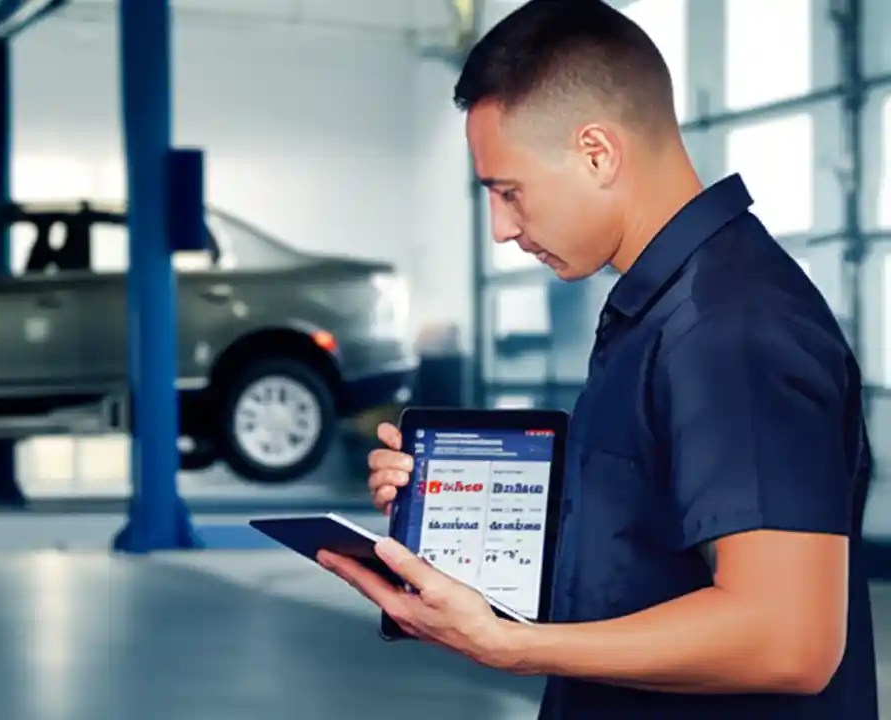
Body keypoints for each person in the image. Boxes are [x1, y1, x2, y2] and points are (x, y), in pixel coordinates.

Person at [316, 0, 878, 718]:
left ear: (597, 153)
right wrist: (458, 515)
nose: (501, 229)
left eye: (509, 192)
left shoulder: (731, 326)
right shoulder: (662, 312)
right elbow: (644, 564)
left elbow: (787, 640)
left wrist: (513, 646)